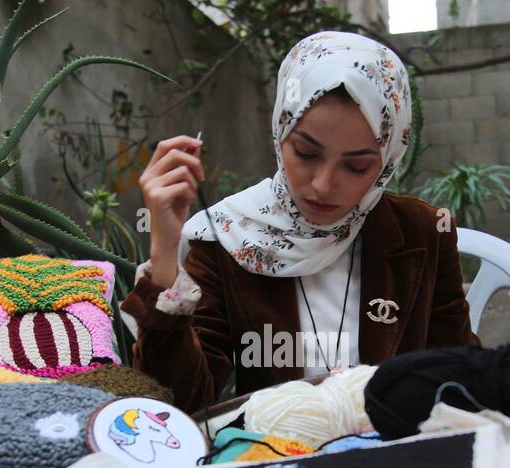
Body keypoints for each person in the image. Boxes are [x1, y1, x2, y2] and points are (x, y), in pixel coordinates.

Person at [123, 30, 479, 412]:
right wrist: (163, 251)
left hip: (397, 454)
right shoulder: (230, 236)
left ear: (388, 159)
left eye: (356, 165)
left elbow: (459, 376)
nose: (324, 185)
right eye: (306, 153)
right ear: (281, 132)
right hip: (279, 458)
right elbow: (177, 405)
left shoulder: (423, 233)